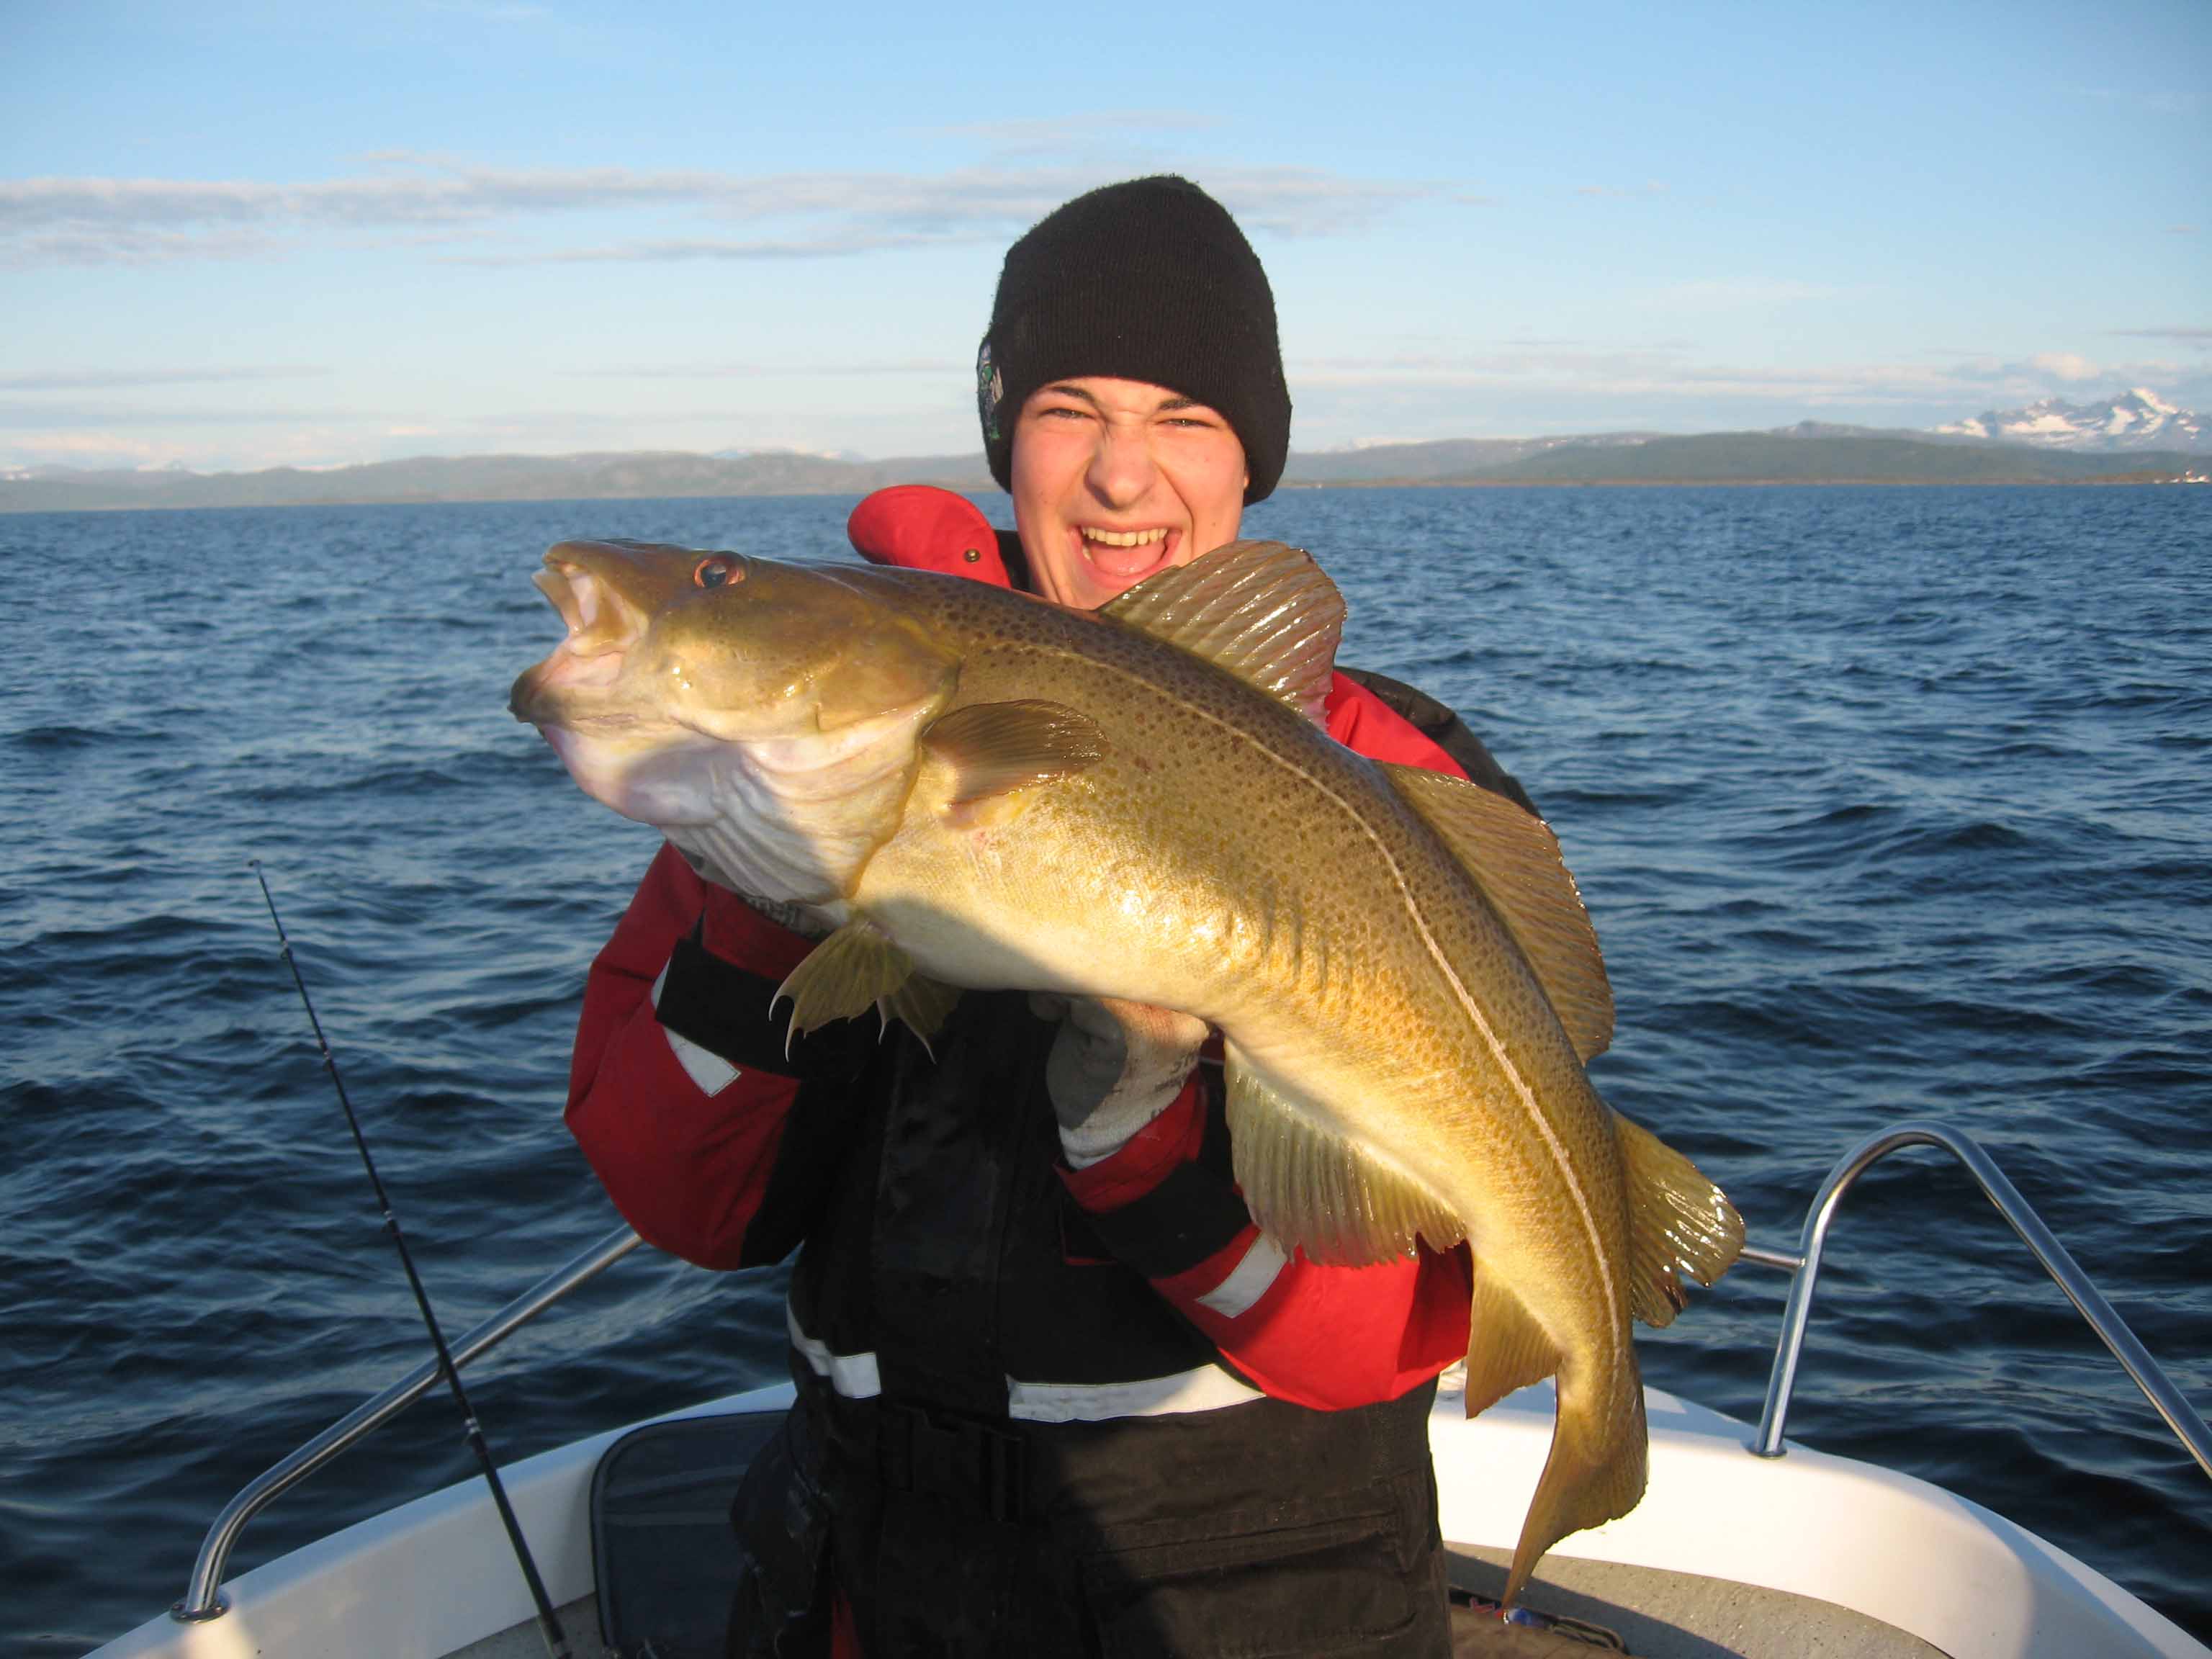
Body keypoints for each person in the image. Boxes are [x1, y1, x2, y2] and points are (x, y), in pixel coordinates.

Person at [565, 176, 1537, 1658]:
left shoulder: (1380, 775)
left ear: (1252, 463)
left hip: (1238, 1605)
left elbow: (1376, 1342)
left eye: (1186, 421)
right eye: (1071, 410)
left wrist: (1143, 1140)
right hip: (868, 1575)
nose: (1122, 479)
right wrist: (768, 904)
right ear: (1006, 437)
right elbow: (688, 1204)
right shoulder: (801, 760)